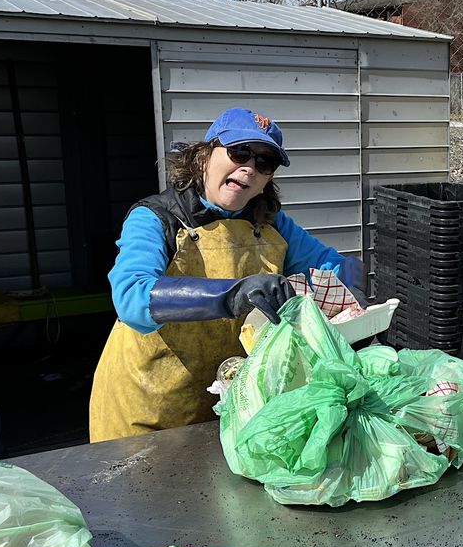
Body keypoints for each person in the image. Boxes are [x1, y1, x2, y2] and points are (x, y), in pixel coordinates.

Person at [89, 107, 363, 443]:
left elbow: (333, 266)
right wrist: (232, 295)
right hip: (148, 411)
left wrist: (356, 296)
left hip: (234, 405)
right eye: (239, 152)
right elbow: (133, 297)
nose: (249, 167)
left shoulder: (272, 223)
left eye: (264, 162)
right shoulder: (155, 218)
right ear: (203, 156)